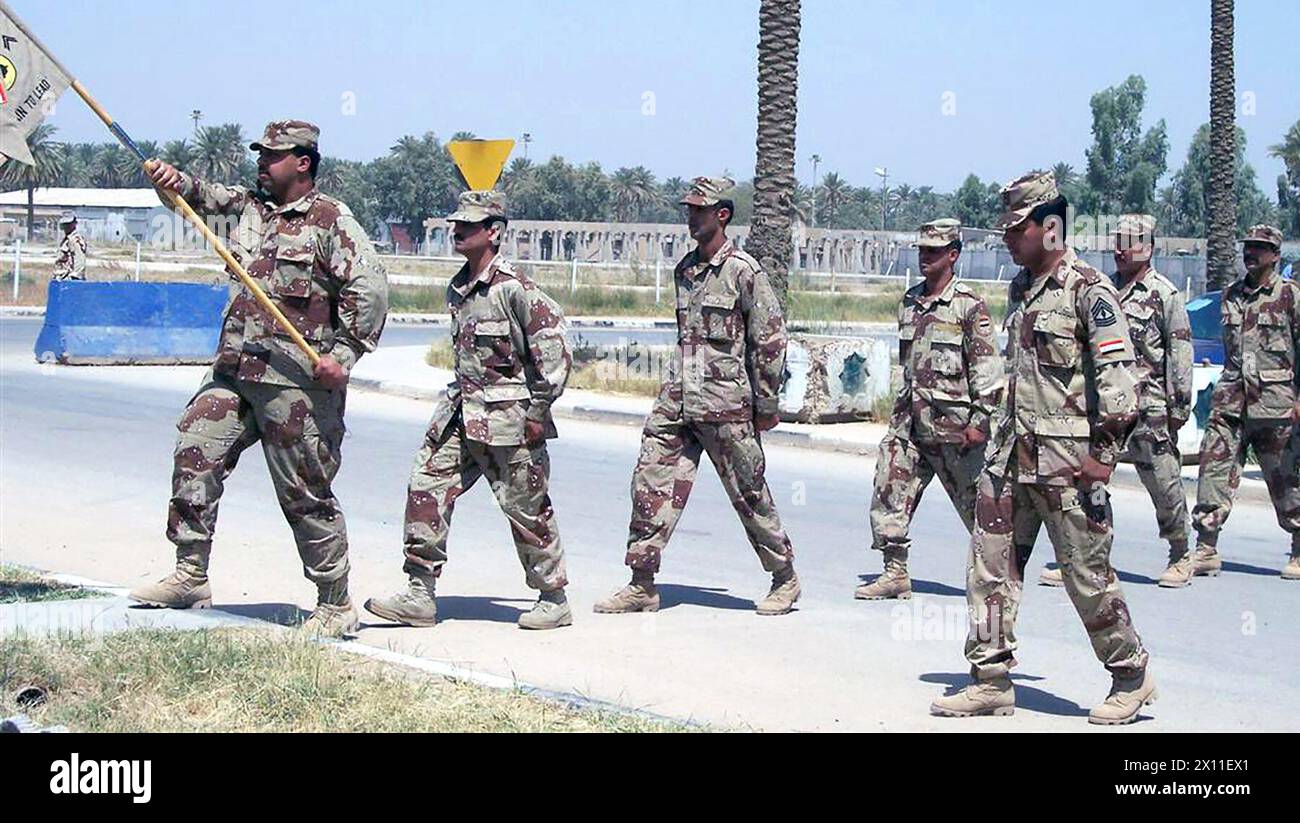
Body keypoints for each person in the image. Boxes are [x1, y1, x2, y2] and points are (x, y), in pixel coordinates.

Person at [130, 120, 389, 638]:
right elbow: (193, 196)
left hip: (293, 384)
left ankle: (335, 603)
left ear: (303, 163)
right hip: (235, 369)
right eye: (261, 156)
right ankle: (190, 575)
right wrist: (167, 179)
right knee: (195, 452)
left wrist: (345, 353)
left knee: (304, 491)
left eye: (272, 157)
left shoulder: (330, 221)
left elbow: (371, 288)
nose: (262, 164)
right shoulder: (249, 209)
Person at [930, 171, 1155, 724]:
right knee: (989, 569)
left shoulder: (1089, 290)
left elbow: (1119, 381)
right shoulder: (1021, 289)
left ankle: (1131, 674)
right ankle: (990, 679)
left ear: (1049, 228)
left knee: (1086, 575)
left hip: (1067, 466)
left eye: (1016, 228)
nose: (1007, 239)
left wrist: (1104, 453)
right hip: (1010, 460)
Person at [364, 190, 575, 630]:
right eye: (455, 224)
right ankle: (420, 593)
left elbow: (554, 354)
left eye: (469, 225)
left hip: (509, 421)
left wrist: (538, 412)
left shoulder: (516, 290)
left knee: (527, 508)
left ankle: (553, 598)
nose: (457, 231)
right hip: (461, 414)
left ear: (494, 232)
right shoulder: (458, 287)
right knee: (425, 488)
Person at [593, 176, 799, 616]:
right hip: (678, 399)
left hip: (726, 402)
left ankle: (784, 577)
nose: (690, 216)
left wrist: (765, 404)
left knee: (749, 492)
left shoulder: (745, 271)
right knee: (650, 483)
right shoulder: (685, 270)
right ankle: (641, 582)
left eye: (698, 210)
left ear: (722, 215)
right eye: (688, 209)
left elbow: (770, 340)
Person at [858, 218, 1003, 600]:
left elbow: (987, 370)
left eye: (934, 251)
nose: (925, 257)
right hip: (910, 425)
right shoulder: (909, 302)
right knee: (888, 490)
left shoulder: (969, 307)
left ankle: (997, 578)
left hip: (956, 429)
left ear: (953, 255)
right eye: (922, 250)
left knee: (981, 510)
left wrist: (980, 420)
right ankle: (894, 571)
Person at [1191, 224, 1300, 580]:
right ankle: (1206, 547)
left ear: (1274, 255)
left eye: (1259, 247)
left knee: (1288, 481)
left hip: (1277, 404)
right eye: (1248, 246)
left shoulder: (1290, 296)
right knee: (1213, 472)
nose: (1250, 252)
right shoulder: (1230, 296)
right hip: (1231, 402)